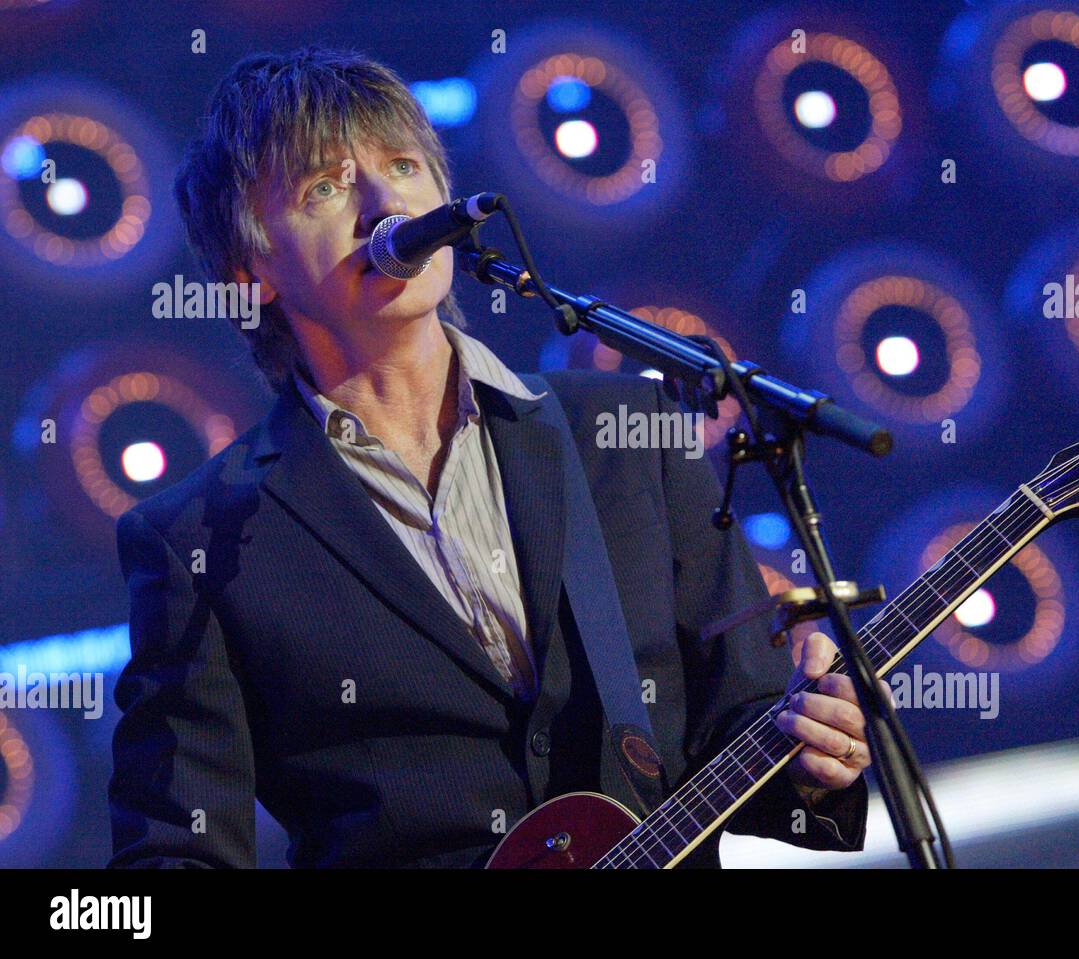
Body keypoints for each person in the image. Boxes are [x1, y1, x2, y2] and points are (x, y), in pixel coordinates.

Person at [107, 45, 870, 869]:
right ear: (249, 272)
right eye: (323, 187)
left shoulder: (626, 434)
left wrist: (819, 766)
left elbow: (745, 726)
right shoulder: (201, 536)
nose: (382, 202)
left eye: (402, 164)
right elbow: (172, 854)